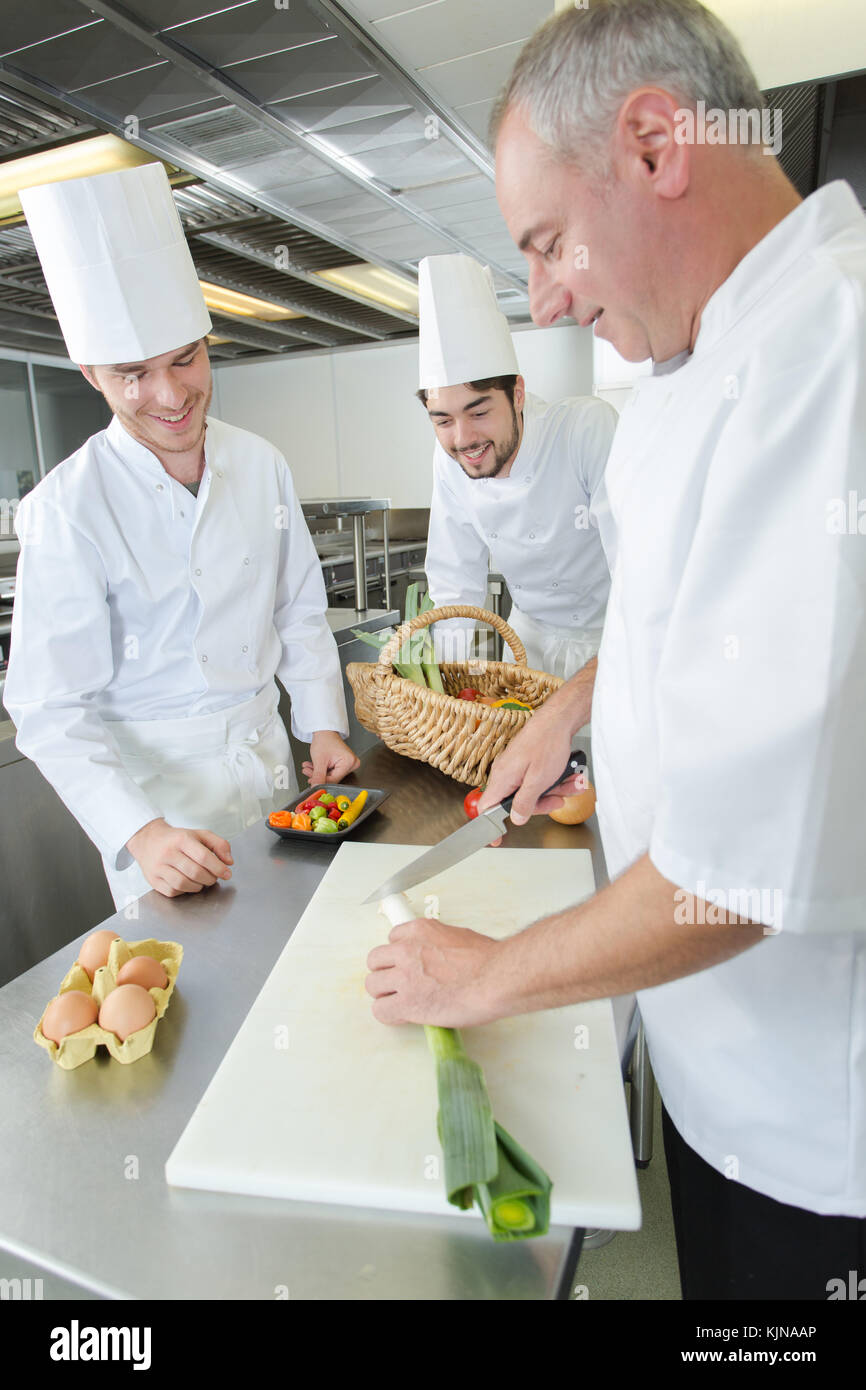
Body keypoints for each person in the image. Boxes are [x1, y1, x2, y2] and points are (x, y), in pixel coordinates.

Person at [366, 0, 866, 1299]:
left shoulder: (832, 361)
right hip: (711, 1077)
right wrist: (575, 703)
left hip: (811, 1129)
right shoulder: (693, 365)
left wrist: (488, 977)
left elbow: (731, 881)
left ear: (653, 145)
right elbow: (666, 613)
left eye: (544, 243)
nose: (546, 297)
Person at [5, 163, 358, 909]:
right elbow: (48, 707)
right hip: (159, 812)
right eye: (133, 374)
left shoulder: (260, 464)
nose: (170, 396)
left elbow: (296, 610)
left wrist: (323, 724)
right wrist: (139, 833)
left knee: (290, 952)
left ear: (206, 339)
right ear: (90, 373)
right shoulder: (67, 507)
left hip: (270, 771)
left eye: (185, 359)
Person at [419, 253, 616, 680]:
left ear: (518, 394)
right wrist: (448, 685)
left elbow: (638, 568)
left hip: (612, 646)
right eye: (443, 420)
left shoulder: (584, 430)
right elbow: (456, 583)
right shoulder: (449, 459)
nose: (463, 438)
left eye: (478, 412)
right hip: (526, 649)